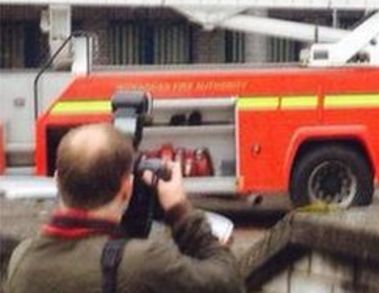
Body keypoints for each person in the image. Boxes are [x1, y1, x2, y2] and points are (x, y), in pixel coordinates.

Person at [4, 123, 242, 293]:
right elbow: (228, 282)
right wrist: (179, 210)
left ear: (57, 181)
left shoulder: (23, 259)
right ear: (126, 188)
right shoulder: (143, 263)